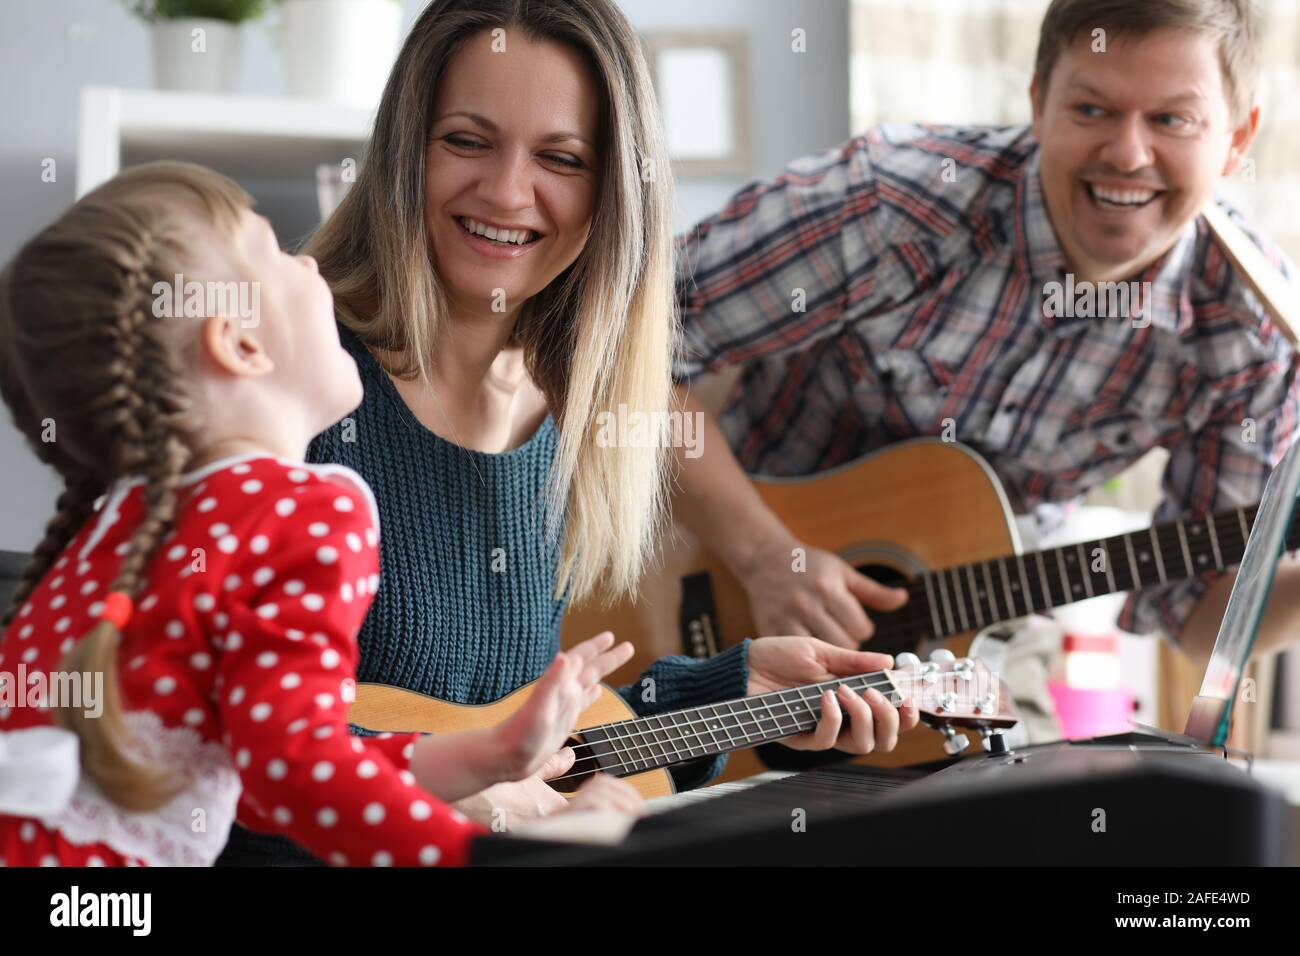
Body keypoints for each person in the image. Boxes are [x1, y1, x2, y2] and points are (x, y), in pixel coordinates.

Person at [0, 161, 639, 867]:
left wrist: (487, 754)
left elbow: (261, 767)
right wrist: (491, 858)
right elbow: (301, 772)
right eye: (276, 254)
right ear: (239, 342)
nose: (309, 263)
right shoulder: (305, 509)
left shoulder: (124, 524)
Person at [671, 0, 1300, 679]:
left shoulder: (1251, 340)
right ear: (1038, 103)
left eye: (1171, 119)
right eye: (1091, 110)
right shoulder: (891, 203)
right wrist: (764, 556)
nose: (1126, 153)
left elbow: (1201, 622)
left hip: (981, 646)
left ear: (1239, 138)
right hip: (700, 586)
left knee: (1051, 788)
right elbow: (614, 349)